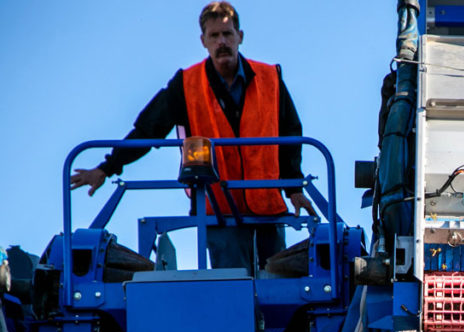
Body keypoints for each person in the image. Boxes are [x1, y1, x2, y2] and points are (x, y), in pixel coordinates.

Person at [70, 1, 315, 273]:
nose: (222, 42)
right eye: (214, 36)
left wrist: (294, 189)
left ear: (240, 37)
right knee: (231, 290)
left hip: (267, 208)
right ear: (203, 41)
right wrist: (107, 167)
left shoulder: (269, 77)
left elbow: (290, 133)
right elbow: (147, 130)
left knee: (278, 290)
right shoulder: (186, 85)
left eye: (227, 34)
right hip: (218, 209)